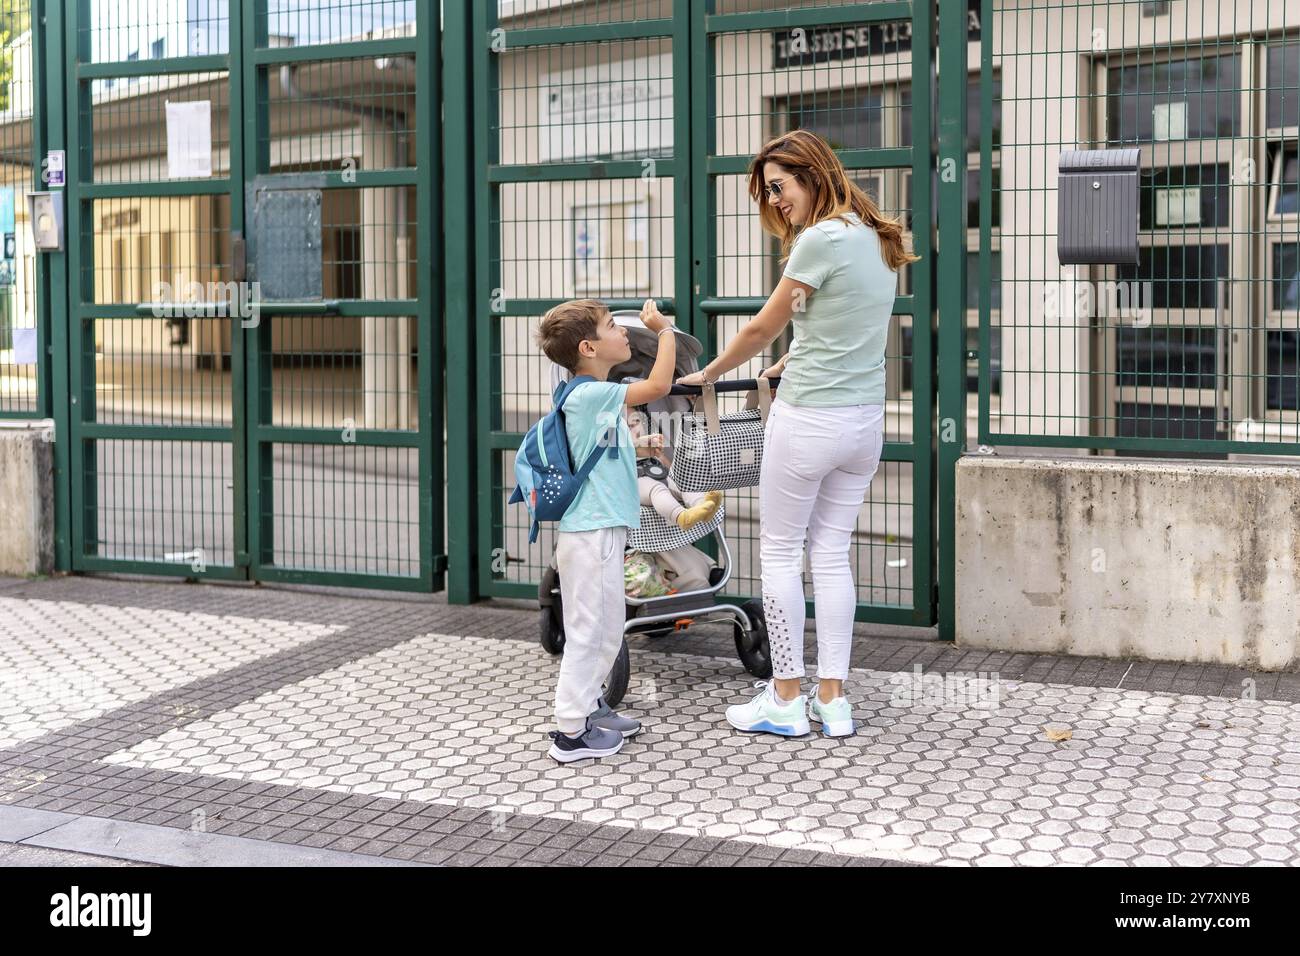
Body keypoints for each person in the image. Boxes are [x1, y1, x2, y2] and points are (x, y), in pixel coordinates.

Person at [677, 129, 919, 738]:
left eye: (780, 187)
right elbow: (847, 325)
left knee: (781, 552)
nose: (776, 201)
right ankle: (832, 702)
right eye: (768, 191)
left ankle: (785, 698)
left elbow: (762, 328)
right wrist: (793, 357)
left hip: (809, 418)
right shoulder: (877, 238)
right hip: (864, 420)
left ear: (813, 174)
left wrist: (706, 373)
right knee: (832, 554)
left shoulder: (819, 238)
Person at [534, 297, 676, 761]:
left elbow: (601, 455)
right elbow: (660, 383)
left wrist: (642, 449)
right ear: (590, 347)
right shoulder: (592, 393)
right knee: (590, 630)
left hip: (602, 529)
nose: (625, 334)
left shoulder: (589, 394)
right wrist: (665, 332)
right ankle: (571, 731)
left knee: (609, 626)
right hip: (591, 533)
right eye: (615, 326)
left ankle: (592, 705)